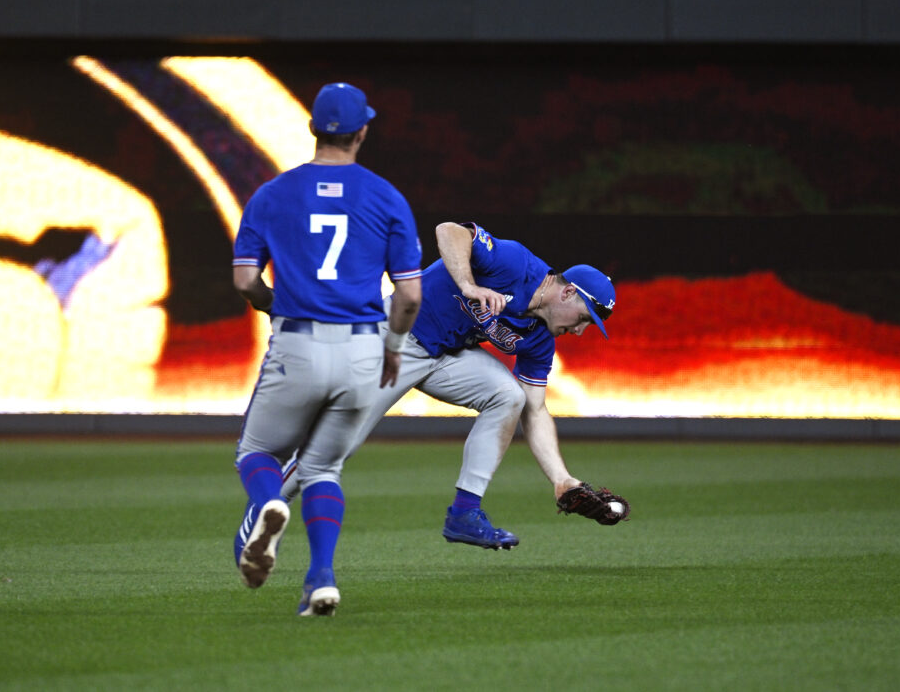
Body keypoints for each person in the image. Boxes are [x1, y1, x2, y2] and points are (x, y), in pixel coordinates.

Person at [275, 221, 625, 550]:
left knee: (509, 396)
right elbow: (449, 231)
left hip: (445, 356)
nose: (580, 330)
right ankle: (267, 505)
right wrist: (468, 284)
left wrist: (560, 479)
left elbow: (535, 410)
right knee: (338, 446)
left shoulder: (539, 339)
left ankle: (464, 513)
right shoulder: (516, 265)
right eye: (583, 318)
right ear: (566, 293)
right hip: (399, 337)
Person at [231, 82, 422, 616]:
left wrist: (275, 306)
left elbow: (245, 279)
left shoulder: (272, 194)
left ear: (314, 128)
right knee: (323, 471)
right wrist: (394, 345)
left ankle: (269, 501)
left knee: (258, 455)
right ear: (362, 131)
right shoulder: (386, 196)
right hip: (364, 348)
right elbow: (409, 293)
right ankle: (321, 580)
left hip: (298, 340)